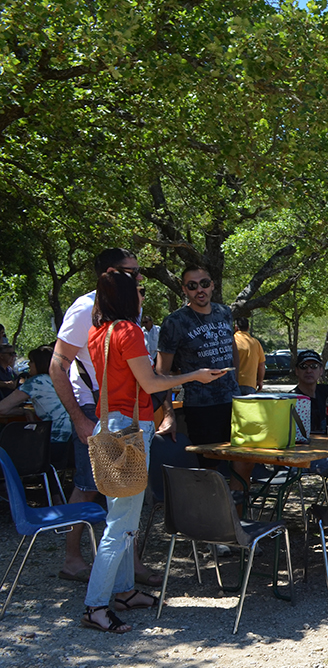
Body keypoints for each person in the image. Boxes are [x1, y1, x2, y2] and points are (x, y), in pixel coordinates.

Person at [82, 271, 227, 633]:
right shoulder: (128, 332)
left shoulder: (98, 331)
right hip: (131, 429)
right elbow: (150, 383)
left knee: (125, 520)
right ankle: (96, 606)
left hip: (111, 425)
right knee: (120, 524)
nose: (143, 294)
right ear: (129, 297)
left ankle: (124, 591)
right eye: (139, 289)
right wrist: (193, 376)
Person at [50, 248, 160, 586]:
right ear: (112, 272)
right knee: (87, 485)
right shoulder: (86, 308)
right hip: (95, 407)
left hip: (126, 408)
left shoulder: (124, 307)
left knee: (127, 491)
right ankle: (74, 560)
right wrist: (78, 417)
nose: (140, 277)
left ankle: (128, 572)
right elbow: (58, 364)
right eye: (133, 271)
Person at [156, 266, 249, 489]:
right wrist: (168, 414)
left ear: (212, 285)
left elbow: (231, 349)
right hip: (201, 407)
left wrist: (234, 380)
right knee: (209, 470)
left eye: (204, 283)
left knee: (245, 460)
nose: (200, 289)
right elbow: (162, 373)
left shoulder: (224, 312)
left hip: (234, 403)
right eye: (192, 285)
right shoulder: (174, 323)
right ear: (185, 290)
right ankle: (209, 518)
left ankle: (235, 514)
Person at [0, 345, 74, 466]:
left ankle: (10, 483)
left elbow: (2, 408)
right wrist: (24, 411)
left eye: (32, 361)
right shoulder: (62, 378)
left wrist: (23, 411)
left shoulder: (37, 381)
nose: (28, 364)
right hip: (71, 443)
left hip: (52, 444)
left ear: (40, 364)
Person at [291, 350, 328, 432]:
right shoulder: (291, 399)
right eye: (303, 366)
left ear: (321, 370)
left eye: (314, 366)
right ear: (297, 371)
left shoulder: (326, 392)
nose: (309, 370)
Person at [233, 317, 265, 396]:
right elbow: (261, 365)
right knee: (248, 408)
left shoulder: (232, 340)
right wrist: (260, 381)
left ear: (236, 327)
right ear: (248, 328)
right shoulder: (255, 343)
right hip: (249, 383)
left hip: (233, 382)